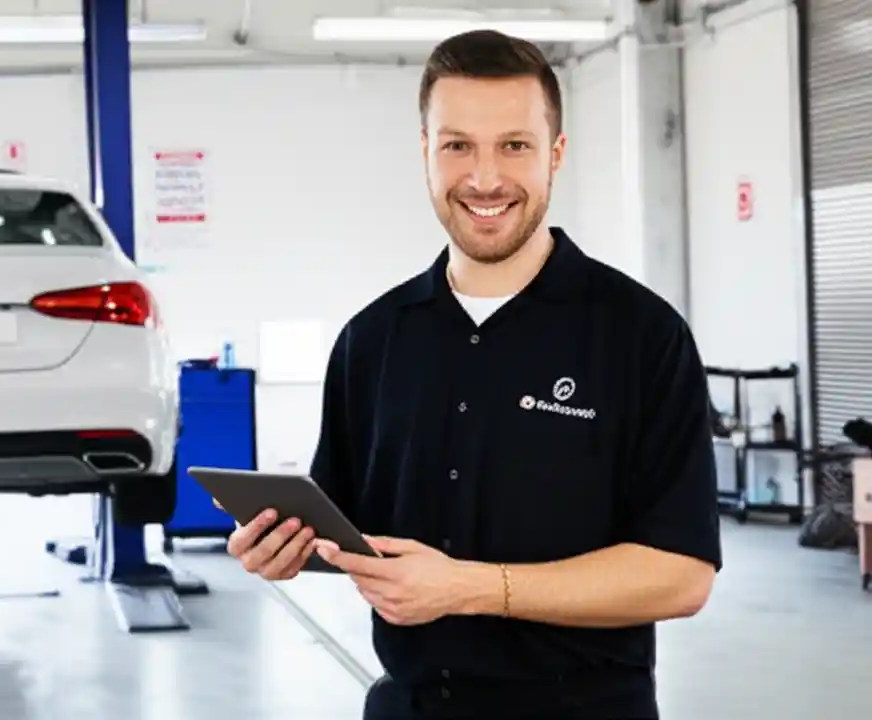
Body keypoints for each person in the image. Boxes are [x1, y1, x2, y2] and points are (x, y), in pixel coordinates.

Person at [226, 29, 721, 719]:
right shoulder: (371, 342)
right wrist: (281, 546)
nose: (485, 178)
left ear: (556, 155)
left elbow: (681, 575)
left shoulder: (642, 337)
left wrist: (469, 588)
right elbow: (340, 529)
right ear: (424, 153)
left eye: (514, 145)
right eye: (457, 145)